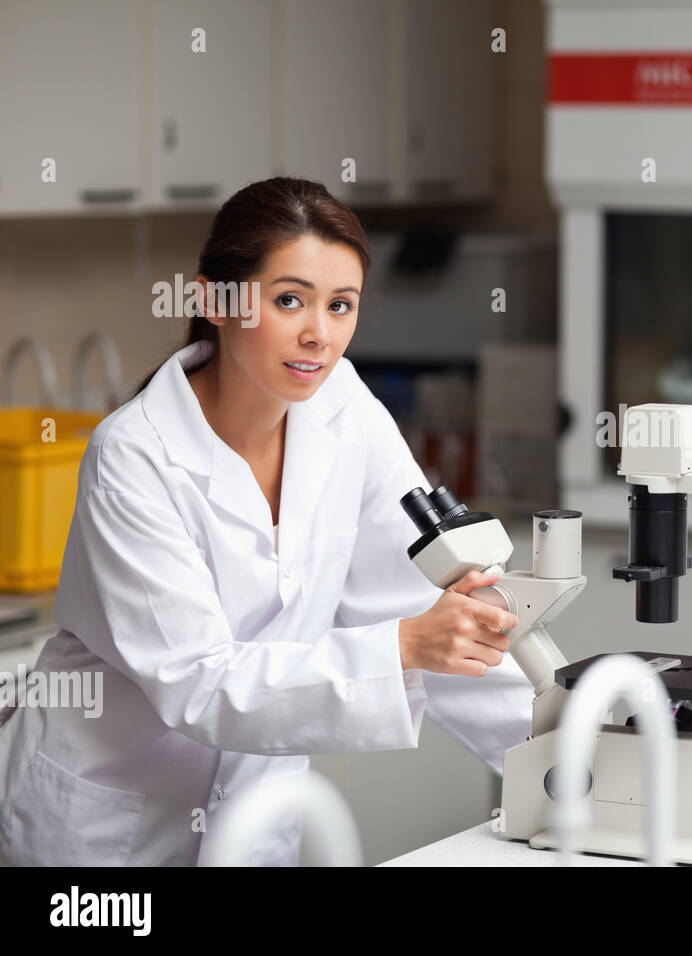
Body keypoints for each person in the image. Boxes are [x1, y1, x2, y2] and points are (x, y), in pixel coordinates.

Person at [0, 178, 534, 865]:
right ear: (213, 301)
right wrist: (404, 645)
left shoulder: (345, 408)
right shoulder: (133, 453)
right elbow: (200, 682)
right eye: (289, 300)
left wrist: (565, 760)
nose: (320, 334)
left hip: (253, 819)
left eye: (341, 305)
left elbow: (431, 604)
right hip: (105, 829)